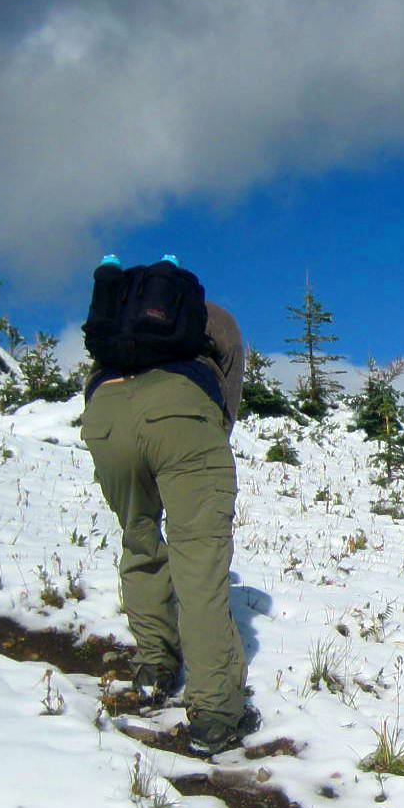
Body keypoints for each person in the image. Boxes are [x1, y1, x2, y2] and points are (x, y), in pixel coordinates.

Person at [80, 289, 258, 757]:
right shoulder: (215, 317)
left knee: (139, 538)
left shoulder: (118, 315)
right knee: (198, 564)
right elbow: (229, 395)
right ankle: (216, 714)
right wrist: (206, 439)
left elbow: (93, 377)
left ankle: (154, 666)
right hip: (182, 413)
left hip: (105, 416)